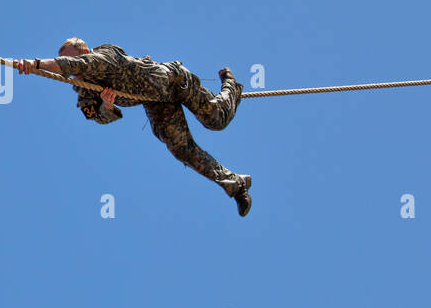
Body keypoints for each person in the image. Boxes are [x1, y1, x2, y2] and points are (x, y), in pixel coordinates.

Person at [14, 38, 253, 216]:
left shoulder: (103, 57)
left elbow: (70, 65)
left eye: (75, 61)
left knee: (216, 119)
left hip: (173, 81)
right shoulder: (86, 90)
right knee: (181, 148)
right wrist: (107, 106)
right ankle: (235, 185)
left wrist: (35, 64)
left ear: (84, 53)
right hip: (156, 101)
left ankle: (231, 87)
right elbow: (96, 116)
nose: (74, 73)